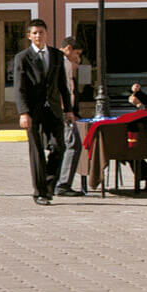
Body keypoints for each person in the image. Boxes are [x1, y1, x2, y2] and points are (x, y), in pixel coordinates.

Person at [11, 19, 74, 206]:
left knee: (59, 147)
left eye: (42, 32)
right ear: (29, 36)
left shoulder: (56, 55)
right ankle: (40, 192)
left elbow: (63, 84)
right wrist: (23, 112)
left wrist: (68, 110)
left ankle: (47, 183)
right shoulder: (22, 58)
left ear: (46, 34)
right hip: (33, 111)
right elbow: (19, 88)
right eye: (35, 33)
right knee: (37, 151)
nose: (39, 35)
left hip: (53, 110)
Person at [56, 38, 87, 196]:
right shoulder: (64, 63)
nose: (77, 58)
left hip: (63, 110)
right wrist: (68, 111)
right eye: (77, 54)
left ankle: (58, 181)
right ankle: (63, 184)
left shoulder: (58, 61)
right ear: (68, 49)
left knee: (63, 146)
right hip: (64, 111)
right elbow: (64, 89)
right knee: (73, 144)